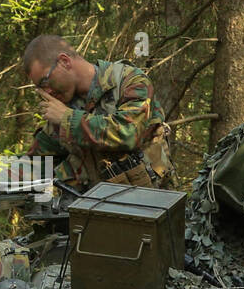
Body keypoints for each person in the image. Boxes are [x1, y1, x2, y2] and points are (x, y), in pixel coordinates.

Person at [20, 35, 173, 192]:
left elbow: (129, 133)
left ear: (64, 62)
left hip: (152, 205)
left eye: (45, 82)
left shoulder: (129, 81)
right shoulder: (65, 107)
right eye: (40, 88)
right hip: (93, 210)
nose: (47, 91)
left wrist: (68, 119)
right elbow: (36, 161)